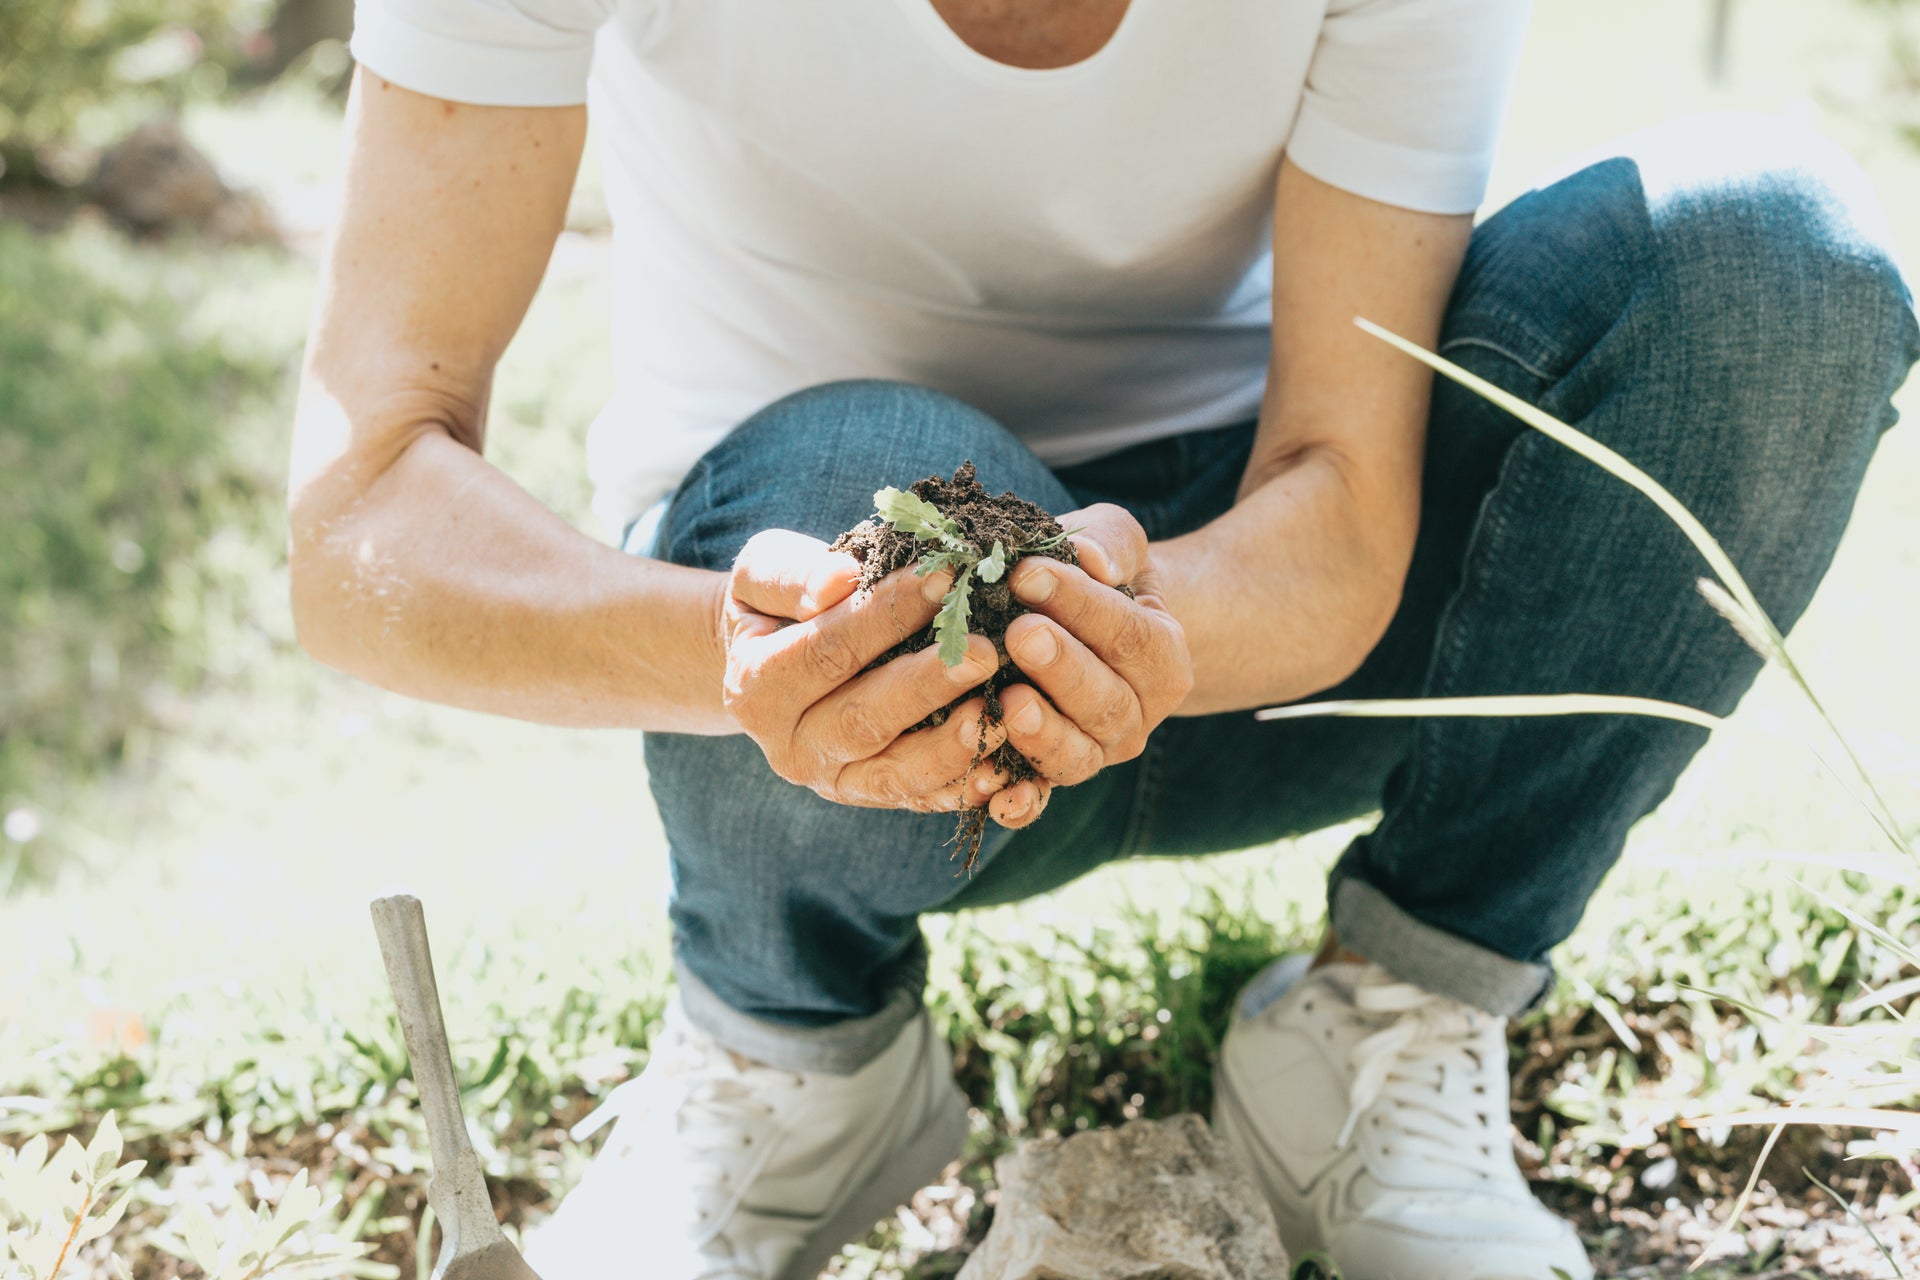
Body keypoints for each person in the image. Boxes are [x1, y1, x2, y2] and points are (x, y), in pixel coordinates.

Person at [289, 1, 1918, 1276]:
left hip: (1254, 625)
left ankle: (1395, 1015)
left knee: (1772, 255)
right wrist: (734, 651)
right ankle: (793, 1055)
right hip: (809, 701)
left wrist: (1143, 618)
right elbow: (360, 511)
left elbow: (1342, 492)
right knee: (872, 464)